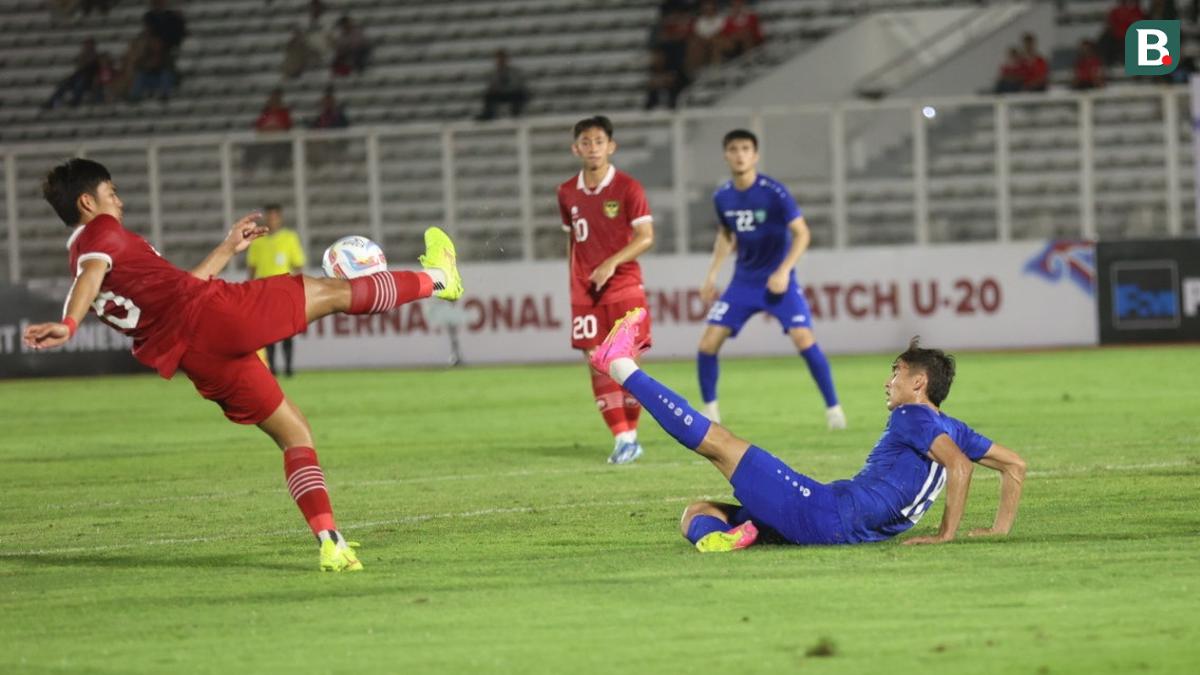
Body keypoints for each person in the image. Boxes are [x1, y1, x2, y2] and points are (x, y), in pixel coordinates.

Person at [24, 158, 464, 571]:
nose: (119, 201)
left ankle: (332, 542)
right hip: (211, 316)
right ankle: (439, 280)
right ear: (88, 202)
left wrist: (226, 248)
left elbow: (167, 286)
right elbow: (91, 274)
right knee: (328, 292)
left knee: (295, 434)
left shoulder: (92, 252)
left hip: (195, 357)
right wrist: (69, 323)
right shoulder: (100, 234)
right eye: (112, 192)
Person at [592, 312, 1028, 552]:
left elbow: (957, 466)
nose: (887, 381)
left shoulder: (913, 416)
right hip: (842, 530)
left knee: (719, 444)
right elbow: (1015, 467)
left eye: (895, 372)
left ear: (919, 384)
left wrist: (946, 535)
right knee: (699, 510)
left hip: (826, 512)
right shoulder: (952, 427)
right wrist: (999, 529)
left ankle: (620, 365)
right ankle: (722, 542)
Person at [698, 129, 844, 430]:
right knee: (708, 343)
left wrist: (784, 270)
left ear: (755, 155)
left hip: (779, 281)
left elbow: (802, 233)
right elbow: (726, 235)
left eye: (746, 148)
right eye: (734, 149)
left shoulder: (774, 192)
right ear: (726, 155)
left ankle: (834, 410)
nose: (740, 154)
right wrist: (712, 274)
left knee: (804, 339)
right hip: (744, 282)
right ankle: (710, 413)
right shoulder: (722, 196)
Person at [556, 116, 655, 464]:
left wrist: (611, 262)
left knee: (626, 363)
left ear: (611, 146)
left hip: (624, 285)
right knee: (595, 362)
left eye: (599, 141)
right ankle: (623, 438)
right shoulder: (566, 191)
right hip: (586, 291)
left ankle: (632, 434)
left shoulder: (629, 188)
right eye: (586, 141)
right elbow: (573, 240)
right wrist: (575, 282)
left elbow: (646, 237)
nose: (593, 147)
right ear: (576, 148)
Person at [245, 204, 306, 377]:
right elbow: (252, 267)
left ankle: (288, 368)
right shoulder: (258, 240)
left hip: (284, 291)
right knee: (268, 333)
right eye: (269, 216)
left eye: (274, 216)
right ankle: (272, 368)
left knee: (287, 331)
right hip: (264, 292)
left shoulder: (289, 238)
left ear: (280, 218)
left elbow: (298, 264)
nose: (272, 219)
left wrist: (298, 287)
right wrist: (249, 291)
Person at [42, 38, 100, 110]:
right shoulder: (82, 57)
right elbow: (79, 69)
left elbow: (95, 72)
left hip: (88, 80)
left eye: (89, 45)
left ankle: (75, 101)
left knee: (80, 83)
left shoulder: (97, 59)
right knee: (64, 84)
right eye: (86, 45)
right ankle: (52, 102)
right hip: (79, 78)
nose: (87, 47)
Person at [477, 49, 530, 121]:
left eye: (502, 59)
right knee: (489, 96)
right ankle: (488, 114)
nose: (500, 61)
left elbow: (517, 84)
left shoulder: (514, 71)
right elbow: (492, 85)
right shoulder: (494, 73)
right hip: (500, 94)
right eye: (499, 59)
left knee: (520, 94)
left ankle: (516, 114)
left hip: (512, 93)